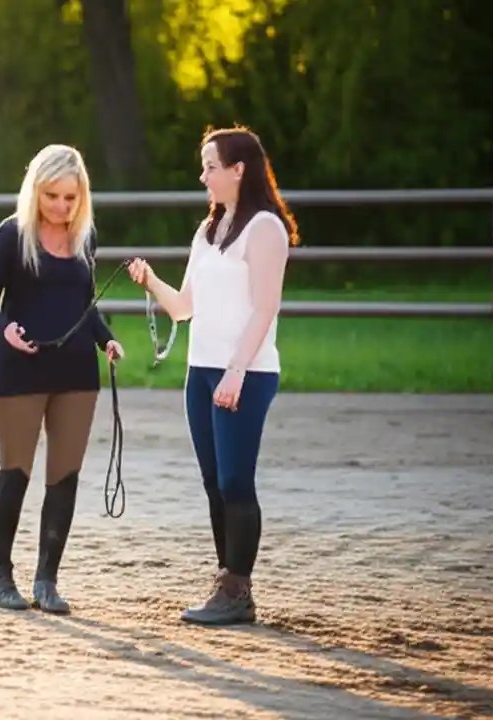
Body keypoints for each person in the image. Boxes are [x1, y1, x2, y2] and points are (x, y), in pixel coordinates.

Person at [127, 126, 299, 625]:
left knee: (235, 481)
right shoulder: (207, 232)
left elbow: (266, 308)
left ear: (238, 169)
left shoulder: (264, 228)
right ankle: (229, 580)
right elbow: (183, 309)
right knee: (212, 483)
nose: (202, 175)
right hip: (200, 371)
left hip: (244, 373)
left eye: (210, 166)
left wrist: (237, 370)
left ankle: (236, 591)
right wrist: (150, 279)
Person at [0, 144, 124, 615]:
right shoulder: (10, 235)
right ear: (35, 190)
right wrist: (6, 331)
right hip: (17, 372)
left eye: (71, 198)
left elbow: (84, 305)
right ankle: (0, 577)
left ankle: (47, 580)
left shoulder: (86, 238)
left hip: (77, 373)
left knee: (64, 477)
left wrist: (107, 340)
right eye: (53, 196)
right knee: (15, 472)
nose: (61, 207)